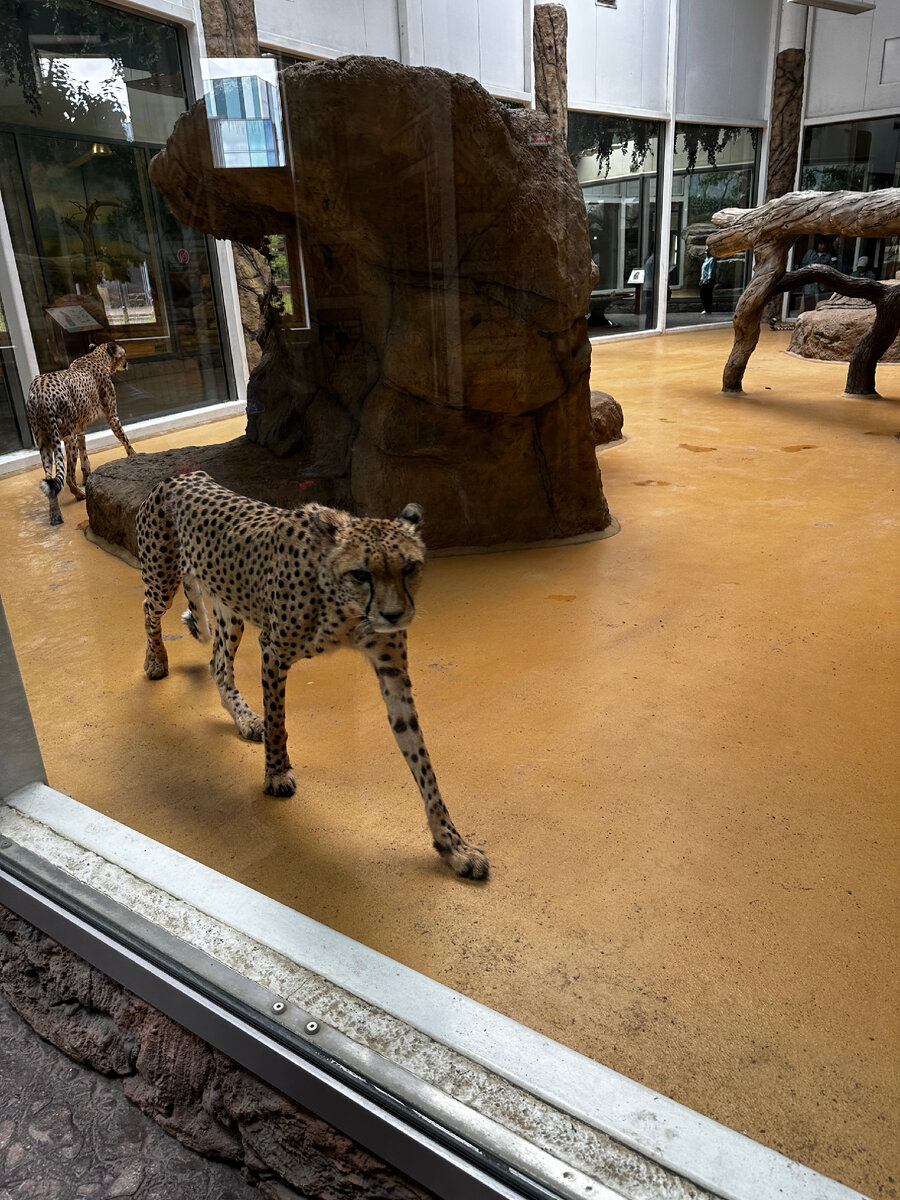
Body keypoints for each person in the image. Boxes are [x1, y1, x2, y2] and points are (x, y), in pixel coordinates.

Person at [799, 237, 832, 311]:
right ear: (817, 244)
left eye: (824, 244)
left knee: (820, 305)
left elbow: (830, 268)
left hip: (821, 285)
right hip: (809, 283)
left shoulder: (827, 255)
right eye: (821, 244)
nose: (823, 246)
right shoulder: (810, 253)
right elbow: (803, 266)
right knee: (809, 304)